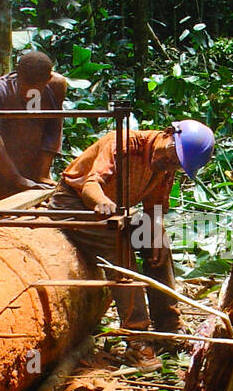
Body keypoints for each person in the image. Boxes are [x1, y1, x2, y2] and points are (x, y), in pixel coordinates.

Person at [50, 119, 214, 358]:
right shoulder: (123, 143)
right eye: (170, 155)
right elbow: (90, 185)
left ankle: (168, 328)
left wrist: (155, 234)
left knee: (159, 246)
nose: (168, 163)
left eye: (176, 164)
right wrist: (103, 202)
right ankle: (136, 339)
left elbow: (154, 208)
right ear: (167, 134)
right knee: (120, 247)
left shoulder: (165, 169)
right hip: (71, 204)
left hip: (113, 210)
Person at [0, 50, 68, 203]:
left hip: (33, 176)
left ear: (47, 80)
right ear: (17, 75)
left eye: (33, 89)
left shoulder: (56, 86)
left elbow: (53, 129)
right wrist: (18, 179)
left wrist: (43, 174)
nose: (27, 94)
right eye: (23, 87)